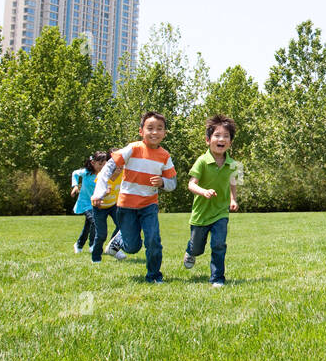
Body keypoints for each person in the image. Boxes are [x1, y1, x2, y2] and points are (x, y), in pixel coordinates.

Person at [94, 112, 177, 283]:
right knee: (133, 247)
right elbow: (109, 166)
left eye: (159, 129)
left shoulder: (165, 156)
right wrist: (99, 190)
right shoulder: (132, 149)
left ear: (165, 133)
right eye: (150, 128)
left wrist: (162, 182)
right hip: (126, 206)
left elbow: (172, 183)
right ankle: (121, 239)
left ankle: (154, 276)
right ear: (141, 131)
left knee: (153, 240)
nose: (155, 132)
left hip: (149, 205)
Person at [182, 114, 241, 287]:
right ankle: (190, 251)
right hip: (201, 214)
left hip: (221, 212)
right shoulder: (201, 161)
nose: (221, 139)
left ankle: (217, 278)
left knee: (219, 244)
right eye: (217, 135)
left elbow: (233, 183)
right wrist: (203, 191)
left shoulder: (233, 165)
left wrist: (233, 199)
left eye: (226, 136)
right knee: (197, 248)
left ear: (230, 142)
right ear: (208, 140)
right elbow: (191, 185)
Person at [86, 148, 128, 262]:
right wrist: (103, 193)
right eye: (117, 165)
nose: (120, 168)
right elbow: (97, 193)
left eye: (122, 165)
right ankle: (96, 258)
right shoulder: (103, 175)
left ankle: (113, 247)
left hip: (113, 206)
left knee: (123, 226)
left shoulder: (124, 174)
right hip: (99, 207)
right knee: (101, 235)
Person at [69, 155, 102, 253]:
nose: (102, 167)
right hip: (85, 203)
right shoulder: (86, 173)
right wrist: (75, 186)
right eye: (100, 164)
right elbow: (75, 173)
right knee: (95, 221)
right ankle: (93, 245)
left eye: (104, 164)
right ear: (93, 163)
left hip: (95, 203)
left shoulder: (104, 174)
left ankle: (79, 244)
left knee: (88, 226)